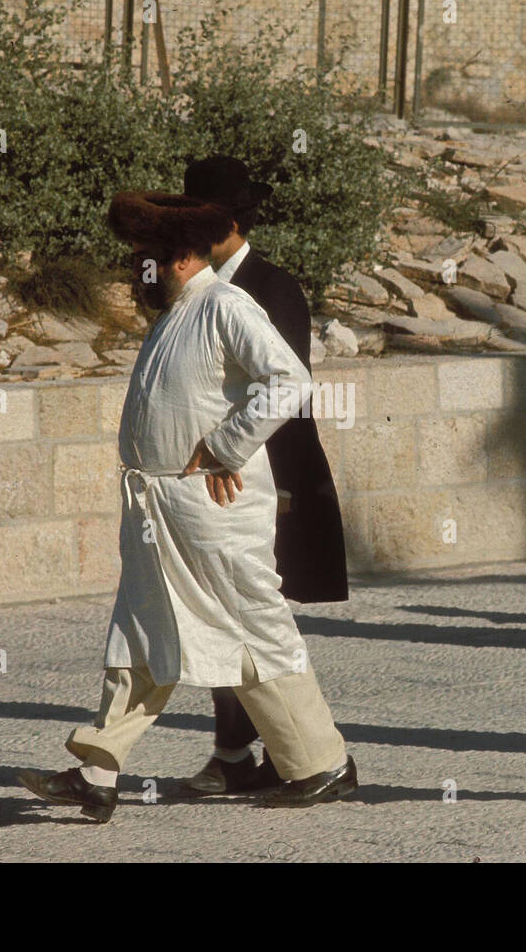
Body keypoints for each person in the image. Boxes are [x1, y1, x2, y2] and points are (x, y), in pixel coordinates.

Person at [17, 191, 355, 822]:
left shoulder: (226, 305)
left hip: (212, 507)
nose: (133, 272)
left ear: (175, 261)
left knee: (255, 630)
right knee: (142, 631)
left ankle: (321, 763)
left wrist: (228, 447)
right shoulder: (176, 313)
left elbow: (289, 381)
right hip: (158, 507)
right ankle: (97, 770)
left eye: (142, 260)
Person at [178, 154, 348, 795]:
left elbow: (284, 391)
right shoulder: (192, 286)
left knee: (252, 615)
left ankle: (275, 750)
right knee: (224, 611)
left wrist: (272, 483)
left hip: (260, 476)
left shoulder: (270, 287)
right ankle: (243, 749)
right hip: (212, 479)